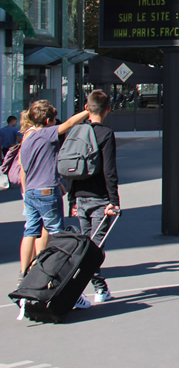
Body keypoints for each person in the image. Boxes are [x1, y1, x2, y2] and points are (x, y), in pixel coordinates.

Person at [17, 100, 90, 312]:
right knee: (58, 236)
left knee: (31, 231)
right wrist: (85, 112)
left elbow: (29, 166)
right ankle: (62, 282)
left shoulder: (27, 137)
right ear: (48, 120)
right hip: (46, 191)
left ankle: (25, 277)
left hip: (31, 191)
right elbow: (67, 125)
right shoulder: (45, 133)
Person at [68, 90, 120, 304]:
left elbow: (71, 168)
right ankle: (79, 291)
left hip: (80, 197)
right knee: (94, 249)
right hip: (99, 198)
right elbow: (109, 170)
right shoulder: (106, 134)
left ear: (86, 108)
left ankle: (98, 288)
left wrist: (72, 200)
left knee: (86, 246)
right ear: (108, 109)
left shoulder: (77, 131)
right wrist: (114, 201)